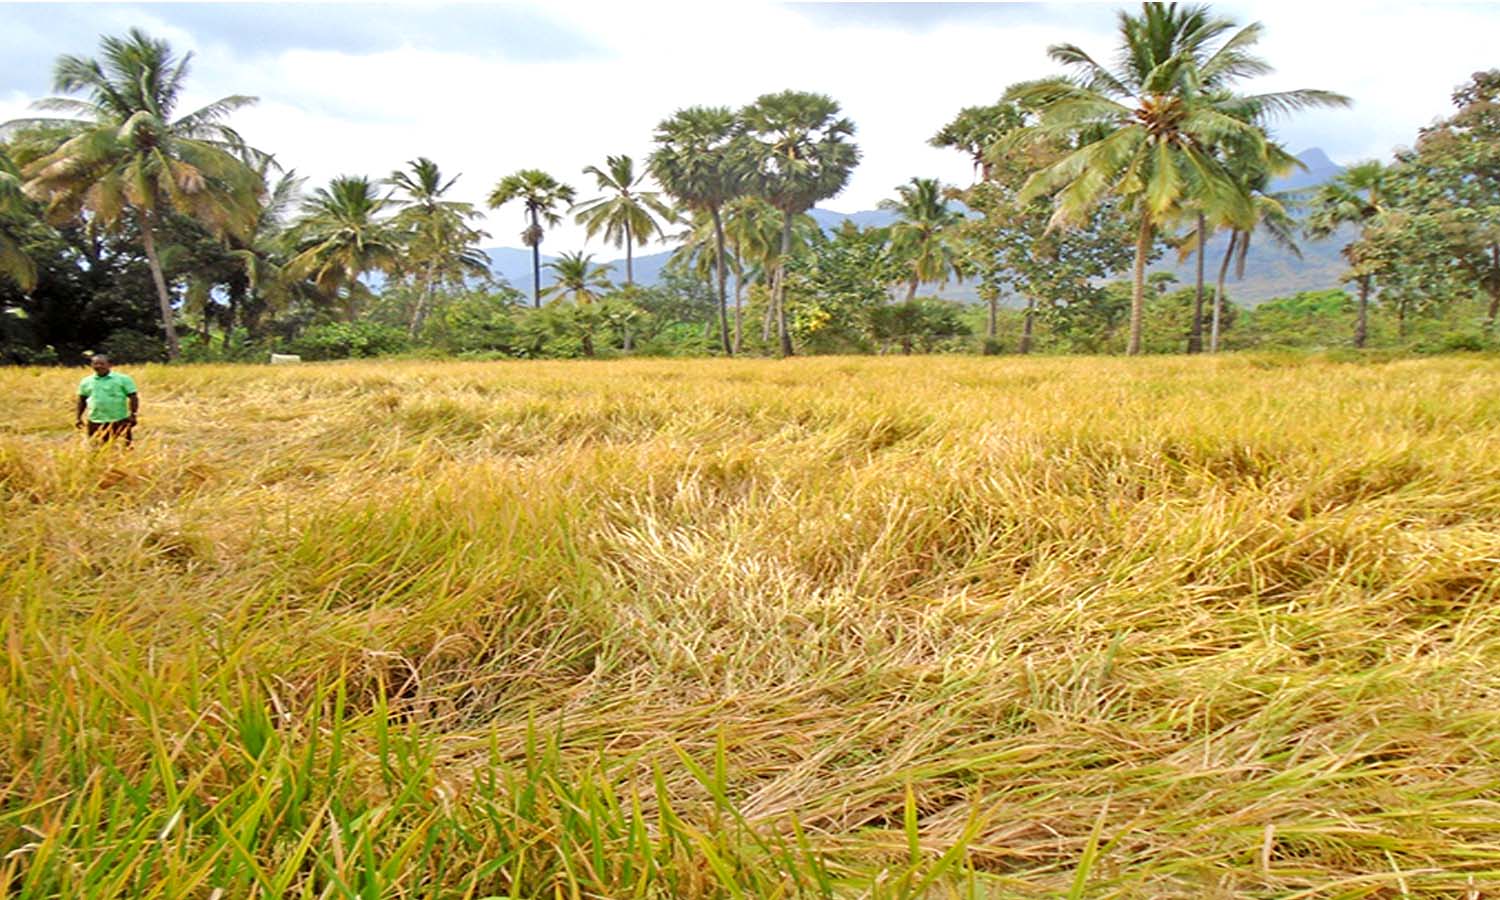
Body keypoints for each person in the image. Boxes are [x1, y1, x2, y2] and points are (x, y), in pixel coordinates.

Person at [75, 354, 138, 446]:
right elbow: (82, 400)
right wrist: (78, 417)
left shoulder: (123, 379)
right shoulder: (86, 381)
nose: (98, 366)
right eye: (95, 364)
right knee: (96, 448)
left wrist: (133, 414)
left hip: (119, 420)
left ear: (110, 365)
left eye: (102, 363)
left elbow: (133, 397)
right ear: (91, 365)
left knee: (124, 448)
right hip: (95, 421)